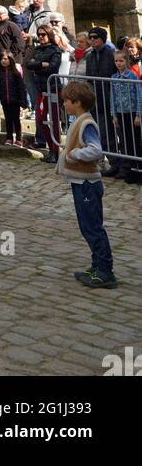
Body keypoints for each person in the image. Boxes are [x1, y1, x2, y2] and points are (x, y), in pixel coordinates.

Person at [58, 80, 117, 290]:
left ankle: (104, 270)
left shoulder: (86, 123)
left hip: (87, 184)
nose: (63, 104)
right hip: (80, 182)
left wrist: (74, 155)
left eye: (66, 101)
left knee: (92, 227)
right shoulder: (79, 120)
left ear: (77, 102)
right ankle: (96, 265)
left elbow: (95, 150)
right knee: (87, 226)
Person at [25, 24, 62, 162]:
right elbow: (29, 64)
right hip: (40, 89)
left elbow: (53, 67)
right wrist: (42, 64)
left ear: (49, 35)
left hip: (52, 89)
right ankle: (51, 147)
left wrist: (38, 64)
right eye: (39, 35)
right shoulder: (38, 49)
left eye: (43, 34)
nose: (40, 37)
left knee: (54, 121)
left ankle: (55, 151)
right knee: (41, 119)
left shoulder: (55, 49)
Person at [85, 28, 118, 174]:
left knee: (110, 134)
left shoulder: (111, 55)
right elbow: (89, 77)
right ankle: (108, 163)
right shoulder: (90, 56)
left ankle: (116, 164)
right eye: (90, 37)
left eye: (96, 37)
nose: (92, 40)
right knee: (101, 134)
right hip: (96, 100)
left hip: (109, 99)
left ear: (103, 38)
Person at [110, 51, 142, 181]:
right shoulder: (113, 77)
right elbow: (112, 97)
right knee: (125, 142)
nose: (118, 63)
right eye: (116, 61)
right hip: (120, 113)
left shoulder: (132, 76)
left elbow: (139, 95)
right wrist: (114, 115)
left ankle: (138, 169)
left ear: (126, 61)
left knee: (135, 141)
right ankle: (128, 169)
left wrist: (138, 114)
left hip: (132, 113)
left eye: (121, 61)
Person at [0, 51, 27, 147]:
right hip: (5, 101)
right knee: (8, 120)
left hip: (15, 101)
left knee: (16, 120)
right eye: (2, 59)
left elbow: (21, 88)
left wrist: (23, 102)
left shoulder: (16, 74)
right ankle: (9, 138)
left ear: (10, 60)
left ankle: (19, 139)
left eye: (6, 59)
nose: (3, 61)